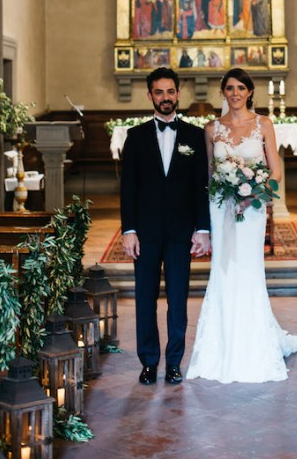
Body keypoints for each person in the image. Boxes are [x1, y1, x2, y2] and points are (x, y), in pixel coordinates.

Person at [187, 68, 297, 383]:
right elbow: (209, 174)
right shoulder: (212, 129)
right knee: (223, 270)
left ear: (250, 92)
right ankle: (219, 347)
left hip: (251, 211)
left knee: (249, 271)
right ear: (223, 93)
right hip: (220, 208)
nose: (235, 93)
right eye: (229, 88)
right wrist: (217, 201)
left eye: (241, 88)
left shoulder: (264, 124)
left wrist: (256, 194)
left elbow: (275, 171)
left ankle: (253, 344)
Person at [121, 67, 211, 386]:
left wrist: (203, 228)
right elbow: (128, 188)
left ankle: (174, 362)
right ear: (150, 96)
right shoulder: (135, 137)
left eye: (170, 92)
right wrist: (128, 230)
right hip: (145, 233)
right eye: (159, 92)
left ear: (178, 94)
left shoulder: (194, 136)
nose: (165, 98)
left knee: (178, 299)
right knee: (145, 298)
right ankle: (148, 362)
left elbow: (203, 185)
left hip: (181, 232)